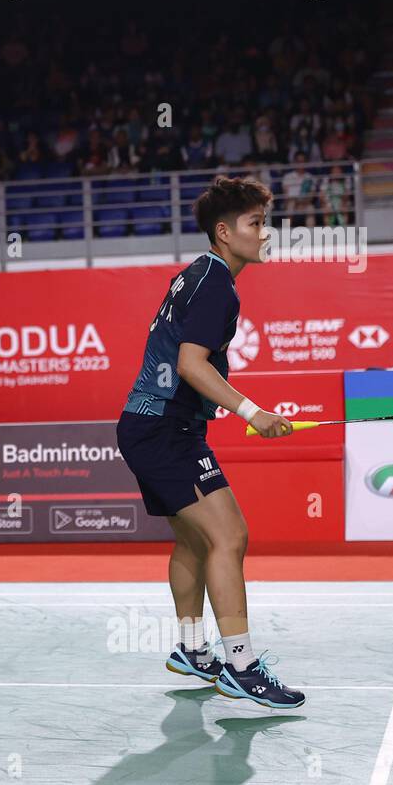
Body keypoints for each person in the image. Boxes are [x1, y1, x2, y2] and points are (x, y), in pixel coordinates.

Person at [115, 176, 305, 710]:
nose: (264, 234)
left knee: (197, 541)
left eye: (264, 223)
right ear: (223, 232)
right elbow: (189, 363)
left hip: (152, 425)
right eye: (255, 224)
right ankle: (241, 667)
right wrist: (253, 412)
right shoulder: (217, 285)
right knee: (231, 538)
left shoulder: (196, 275)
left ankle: (193, 650)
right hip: (163, 428)